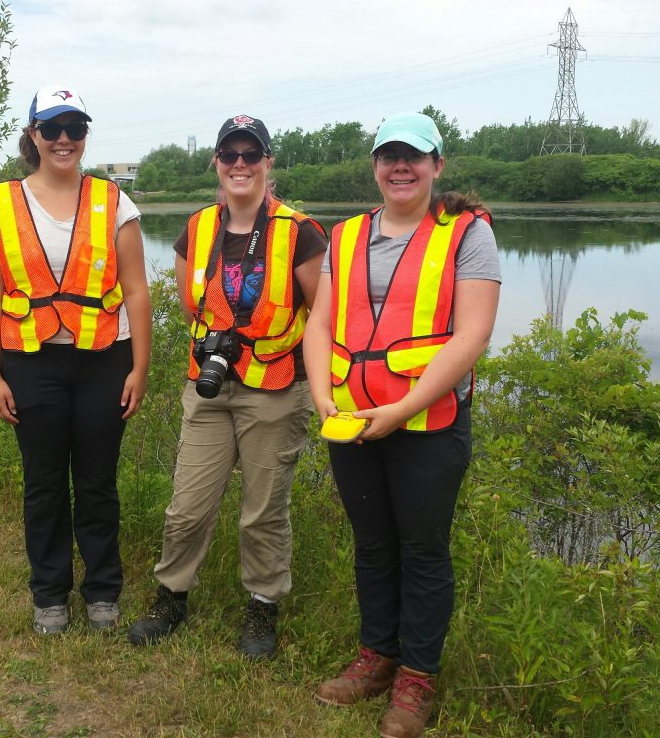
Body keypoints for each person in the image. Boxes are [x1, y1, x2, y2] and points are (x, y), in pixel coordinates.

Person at [303, 112, 501, 738]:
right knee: (373, 545)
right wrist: (320, 397)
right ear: (376, 168)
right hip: (354, 420)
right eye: (389, 156)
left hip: (428, 423)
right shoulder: (347, 235)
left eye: (414, 156)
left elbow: (472, 334)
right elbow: (320, 323)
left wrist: (404, 410)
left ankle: (417, 679)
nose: (400, 167)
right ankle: (375, 658)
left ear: (437, 165)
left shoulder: (467, 234)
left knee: (422, 550)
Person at [127, 115, 327, 659]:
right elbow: (190, 305)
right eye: (230, 155)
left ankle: (263, 606)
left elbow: (324, 315)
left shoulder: (300, 232)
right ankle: (172, 595)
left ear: (268, 162)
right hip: (210, 386)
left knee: (263, 510)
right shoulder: (196, 229)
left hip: (277, 387)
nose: (240, 164)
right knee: (187, 506)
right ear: (216, 162)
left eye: (251, 154)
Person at [0, 86, 151, 635]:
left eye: (75, 129)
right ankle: (49, 594)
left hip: (104, 359)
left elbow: (138, 291)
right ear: (33, 136)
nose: (65, 140)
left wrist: (140, 370)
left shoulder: (113, 201)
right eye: (52, 129)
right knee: (44, 482)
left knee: (97, 481)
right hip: (30, 362)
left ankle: (102, 590)